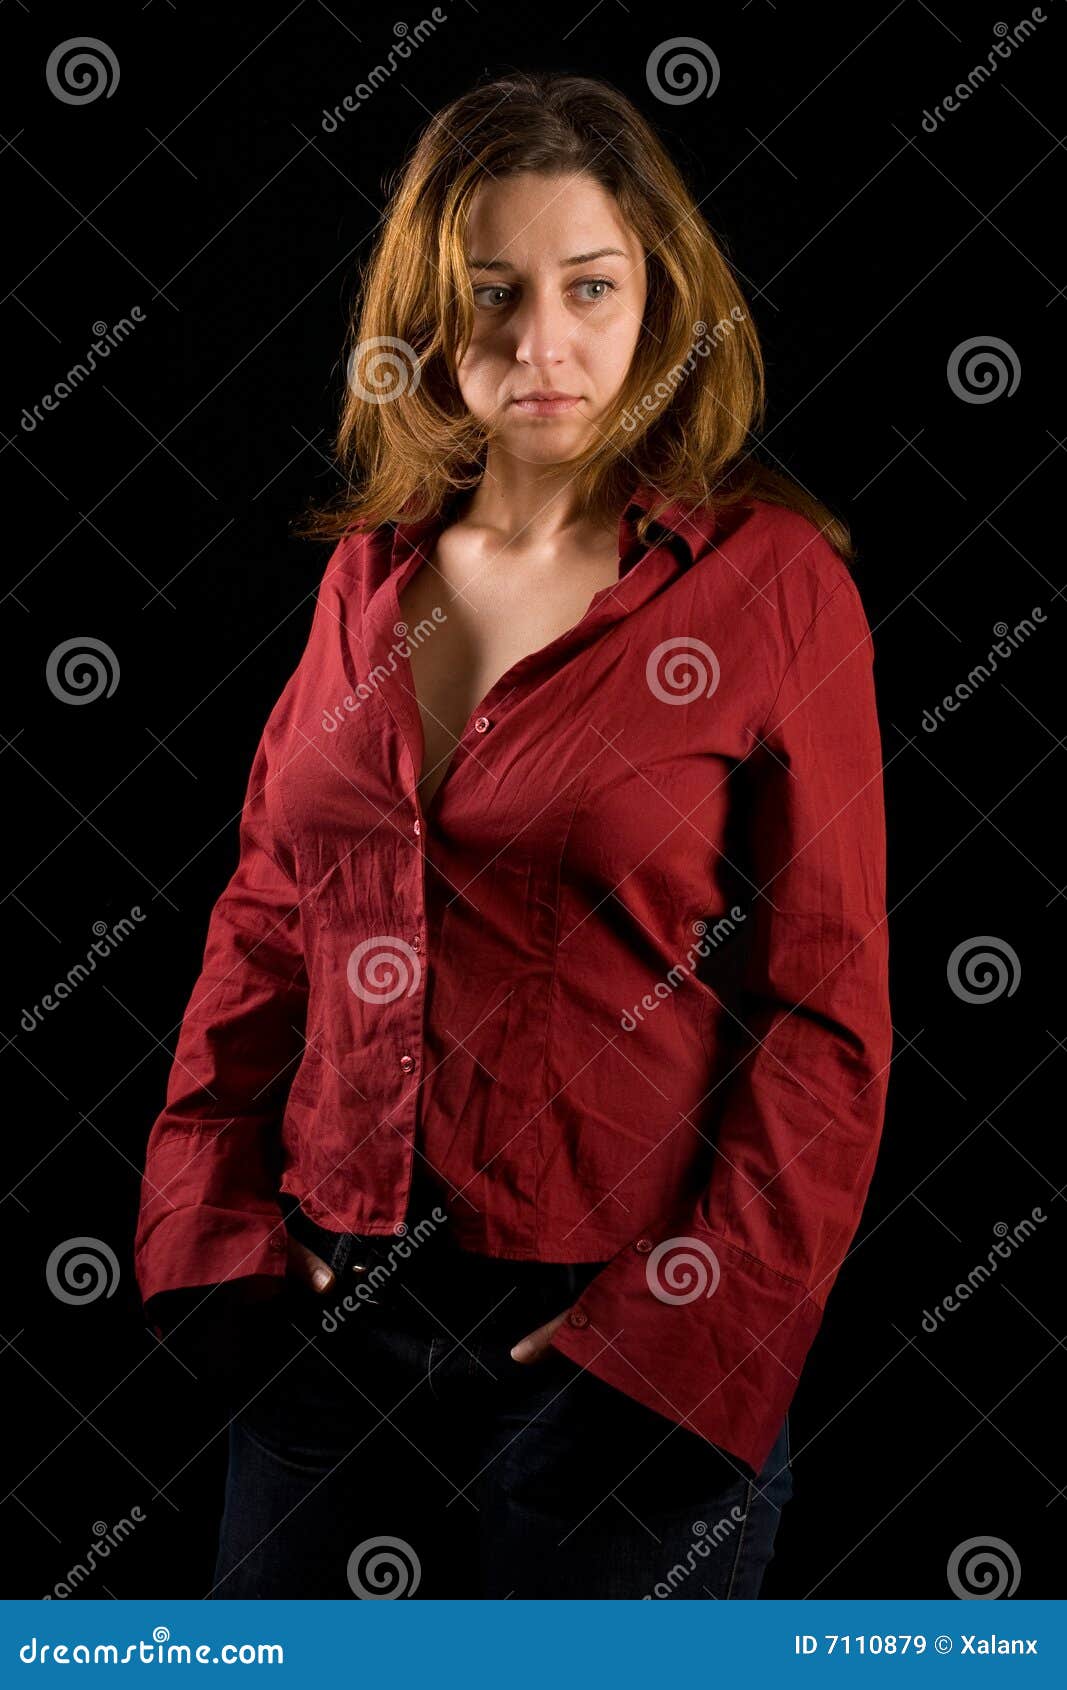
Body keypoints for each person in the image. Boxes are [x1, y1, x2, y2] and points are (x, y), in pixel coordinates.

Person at [134, 71, 891, 1600]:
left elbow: (823, 1010)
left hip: (613, 1345)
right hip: (331, 1322)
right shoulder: (365, 581)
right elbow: (274, 909)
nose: (541, 344)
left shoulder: (774, 584)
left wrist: (682, 1332)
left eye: (590, 288)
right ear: (428, 315)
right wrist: (211, 1225)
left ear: (661, 299)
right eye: (493, 296)